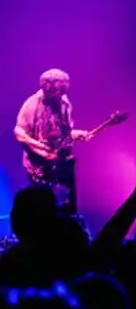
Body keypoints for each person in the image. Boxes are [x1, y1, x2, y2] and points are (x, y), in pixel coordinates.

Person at [14, 69, 88, 211]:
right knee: (46, 207)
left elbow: (64, 133)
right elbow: (19, 133)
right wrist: (42, 150)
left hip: (61, 162)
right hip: (40, 166)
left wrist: (75, 134)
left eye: (62, 93)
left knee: (68, 206)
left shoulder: (64, 102)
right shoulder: (31, 105)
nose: (60, 97)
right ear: (46, 88)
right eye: (57, 93)